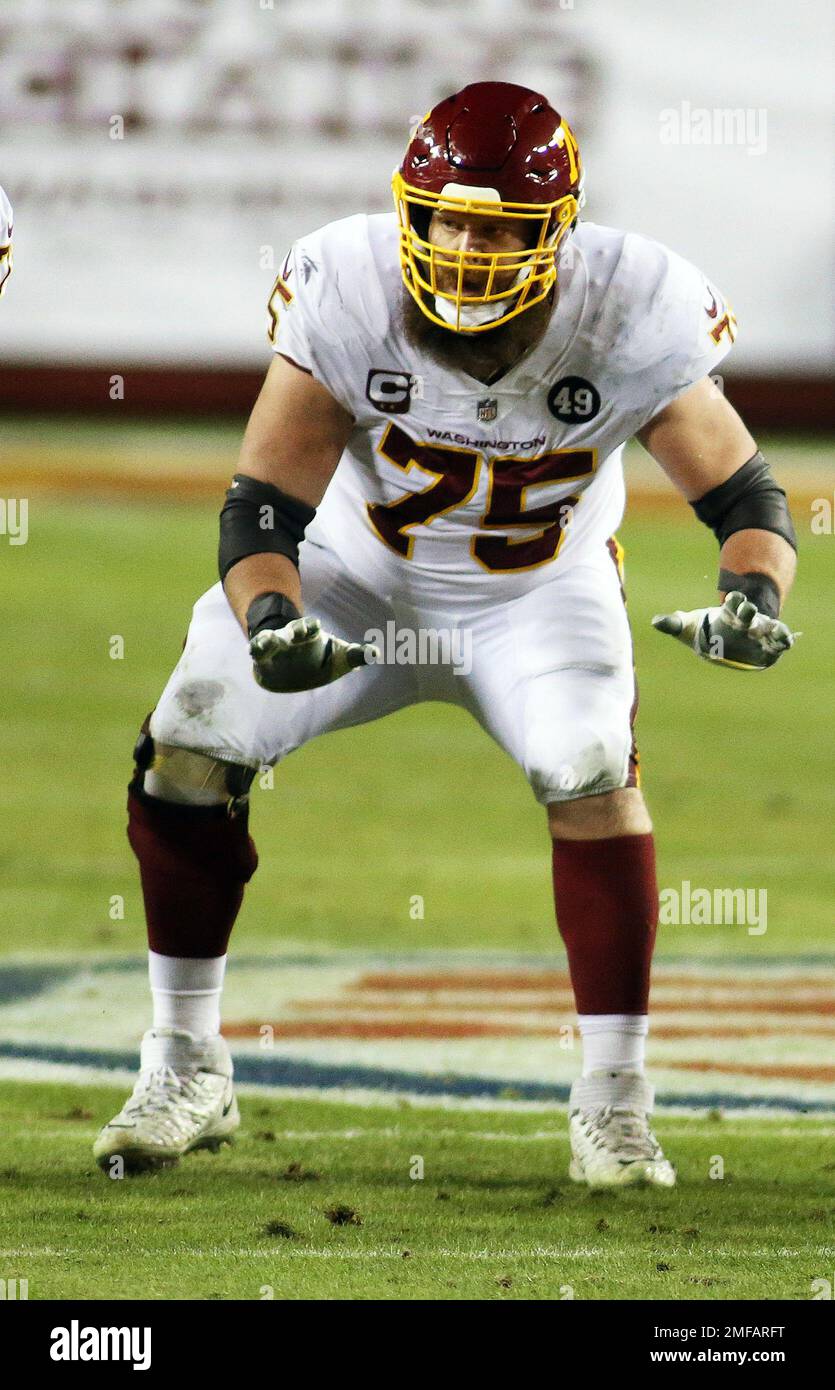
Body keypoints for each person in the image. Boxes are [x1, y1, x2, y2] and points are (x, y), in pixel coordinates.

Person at [93, 82, 797, 1186]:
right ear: (408, 212)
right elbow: (262, 505)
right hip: (352, 574)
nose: (466, 248)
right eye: (448, 219)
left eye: (500, 228)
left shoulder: (631, 302)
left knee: (589, 765)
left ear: (556, 235)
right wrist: (271, 615)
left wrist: (755, 596)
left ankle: (615, 1103)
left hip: (537, 593)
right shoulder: (348, 281)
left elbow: (745, 497)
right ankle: (185, 1060)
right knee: (187, 741)